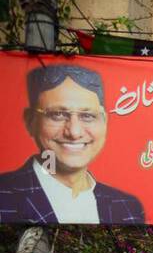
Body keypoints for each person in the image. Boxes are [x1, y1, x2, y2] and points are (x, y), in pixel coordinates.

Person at [0, 65, 145, 224]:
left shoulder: (127, 207)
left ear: (104, 122)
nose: (74, 132)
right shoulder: (4, 196)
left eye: (87, 116)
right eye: (58, 114)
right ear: (30, 121)